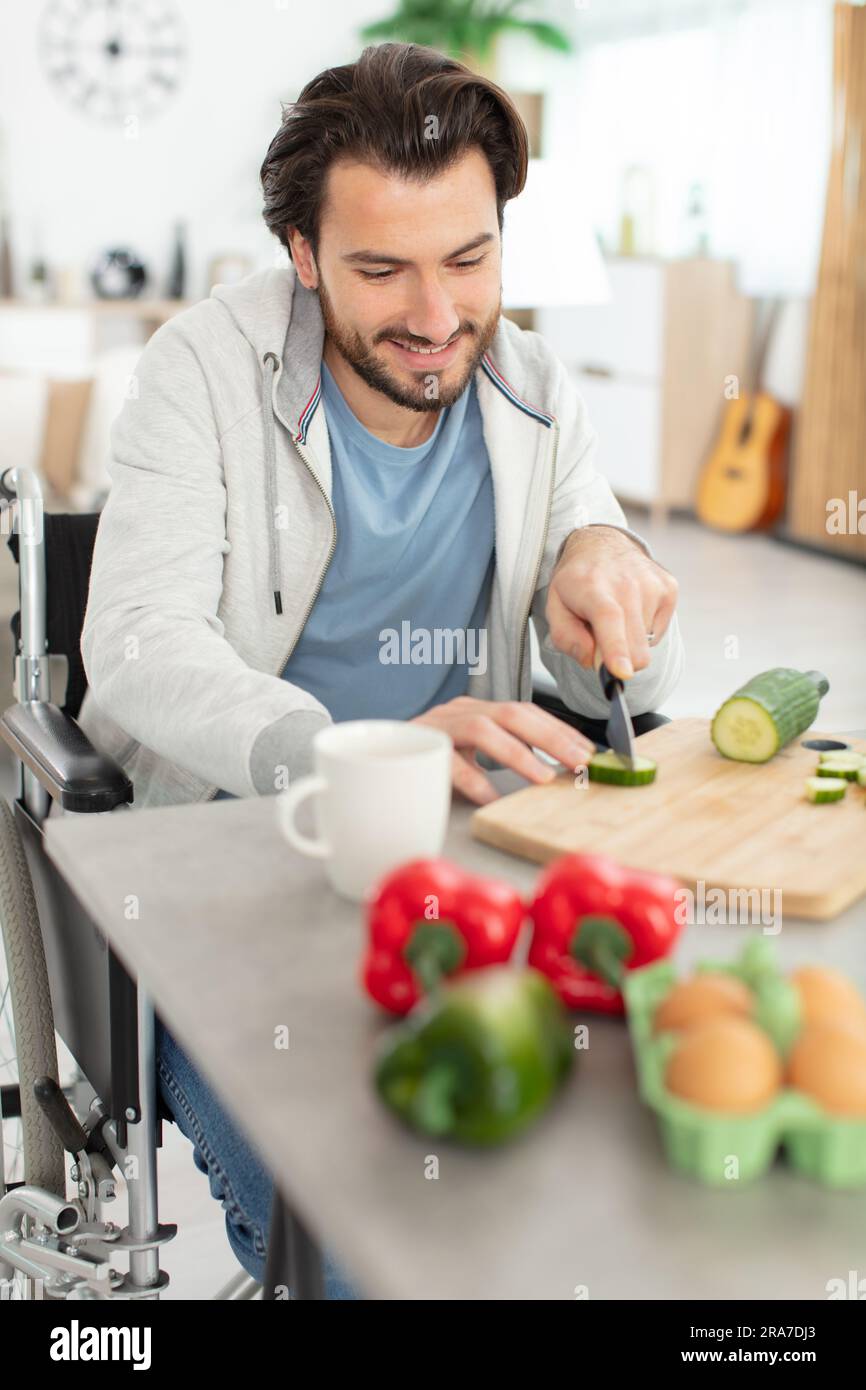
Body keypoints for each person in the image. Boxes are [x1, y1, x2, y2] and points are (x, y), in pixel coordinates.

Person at [78, 42, 685, 1298]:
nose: (433, 313)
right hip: (219, 881)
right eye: (380, 268)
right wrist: (365, 758)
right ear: (303, 257)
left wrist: (610, 571)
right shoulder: (200, 369)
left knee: (617, 1172)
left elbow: (619, 677)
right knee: (366, 1257)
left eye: (467, 260)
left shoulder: (531, 386)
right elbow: (137, 644)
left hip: (457, 880)